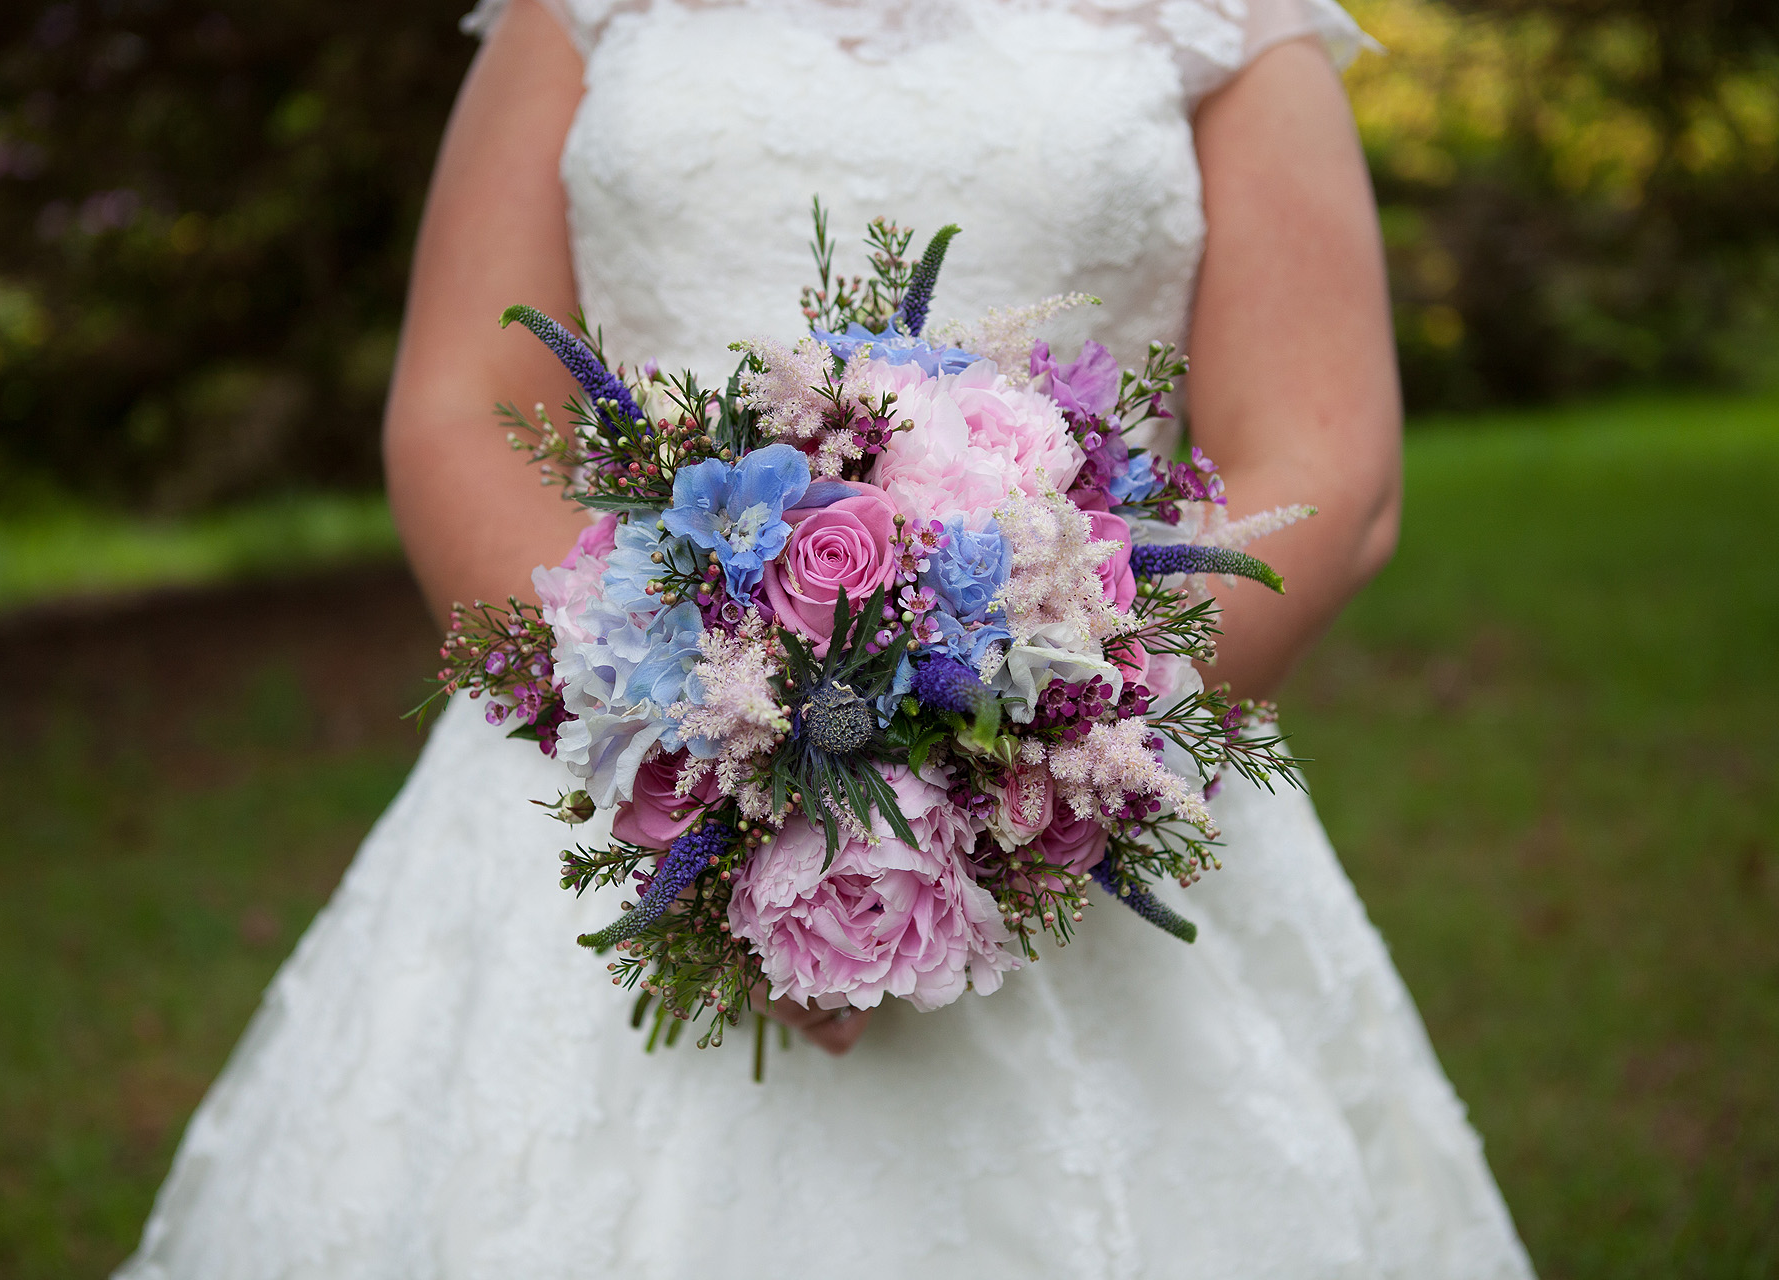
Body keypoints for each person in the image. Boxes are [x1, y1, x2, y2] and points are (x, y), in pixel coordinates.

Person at [117, 0, 1536, 1274]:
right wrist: (699, 777)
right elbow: (463, 408)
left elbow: (1321, 474)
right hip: (612, 767)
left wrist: (1002, 793)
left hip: (1083, 790)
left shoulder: (1226, 18)